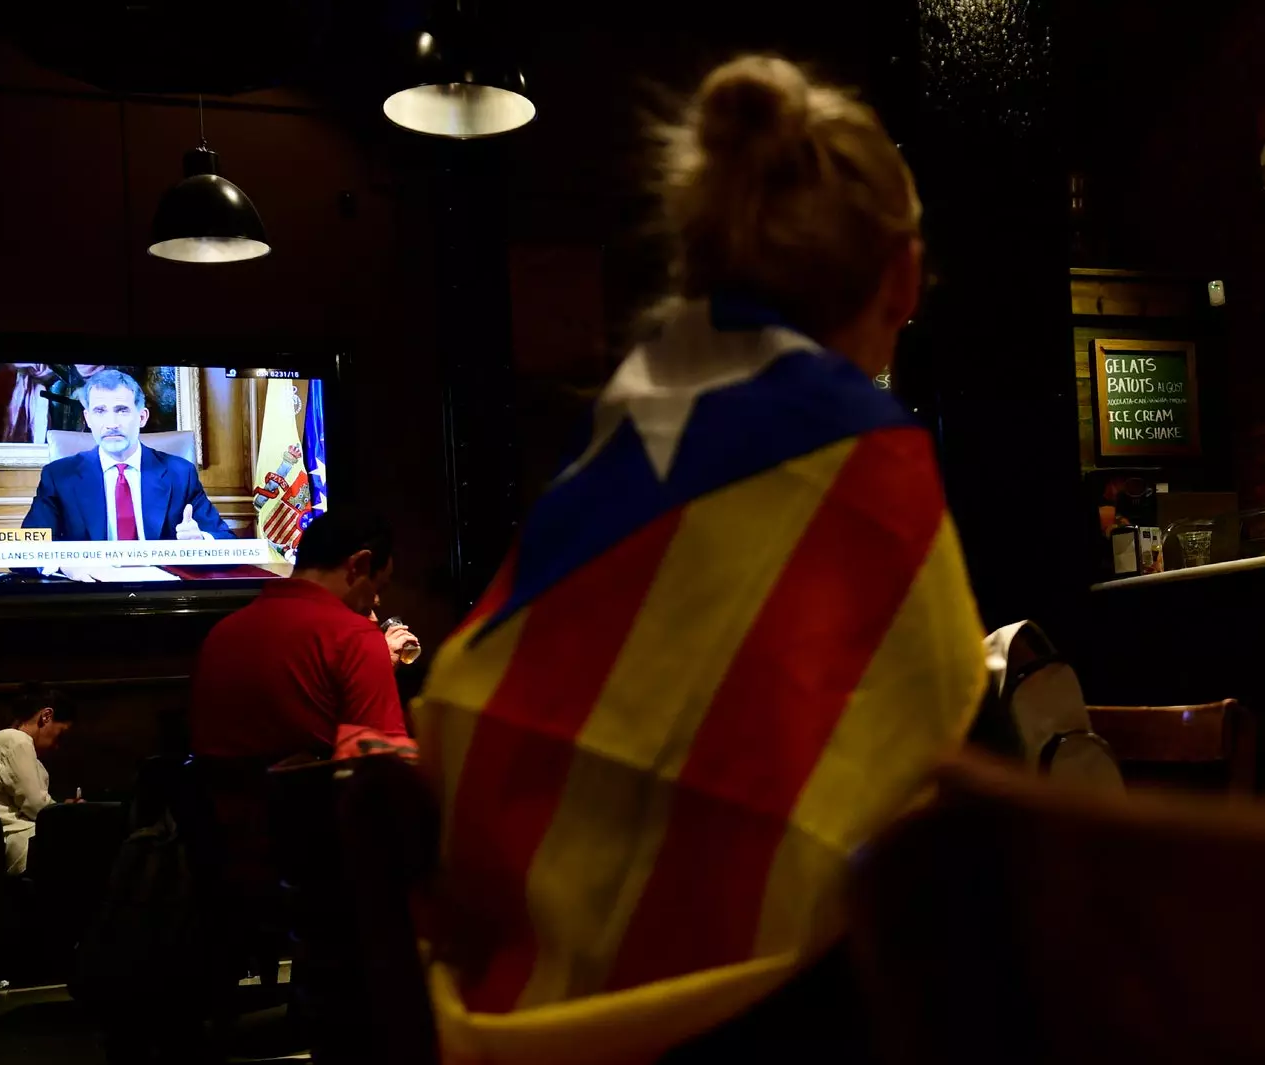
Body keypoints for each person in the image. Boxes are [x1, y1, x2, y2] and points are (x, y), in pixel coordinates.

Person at [414, 56, 989, 1062]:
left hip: (502, 1001)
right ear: (901, 277)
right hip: (727, 1023)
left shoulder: (628, 428)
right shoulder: (858, 448)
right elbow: (936, 759)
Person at [189, 504, 410, 762]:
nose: (376, 601)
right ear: (359, 565)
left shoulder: (222, 633)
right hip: (312, 800)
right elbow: (385, 768)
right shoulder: (354, 637)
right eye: (377, 587)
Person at [22, 369, 232, 571]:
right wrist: (63, 564)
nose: (111, 423)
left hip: (162, 594)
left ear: (142, 417)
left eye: (121, 411)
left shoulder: (180, 473)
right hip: (91, 594)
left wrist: (202, 541)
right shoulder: (59, 477)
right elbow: (25, 552)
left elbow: (227, 543)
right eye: (100, 411)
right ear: (88, 419)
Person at [0, 686, 77, 875]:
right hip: (16, 841)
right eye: (61, 734)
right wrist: (67, 811)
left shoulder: (0, 741)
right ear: (46, 716)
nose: (57, 745)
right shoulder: (16, 740)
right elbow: (36, 807)